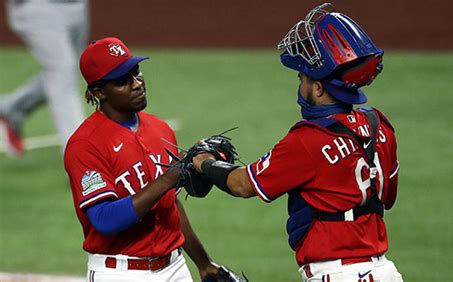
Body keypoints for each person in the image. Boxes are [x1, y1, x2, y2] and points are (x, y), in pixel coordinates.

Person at [190, 4, 403, 282]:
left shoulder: (308, 140)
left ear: (318, 88)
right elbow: (388, 197)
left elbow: (242, 185)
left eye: (302, 78)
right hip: (384, 271)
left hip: (337, 273)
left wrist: (204, 162)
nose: (300, 85)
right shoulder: (379, 124)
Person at [64, 37, 225, 281]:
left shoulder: (160, 129)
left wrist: (204, 263)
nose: (137, 83)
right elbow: (105, 219)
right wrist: (169, 178)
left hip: (175, 267)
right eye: (122, 81)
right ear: (99, 92)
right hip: (120, 272)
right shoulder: (85, 145)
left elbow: (168, 204)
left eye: (136, 72)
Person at [0, 0, 88, 158]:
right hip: (39, 7)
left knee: (70, 71)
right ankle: (81, 158)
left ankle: (12, 108)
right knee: (62, 73)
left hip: (77, 6)